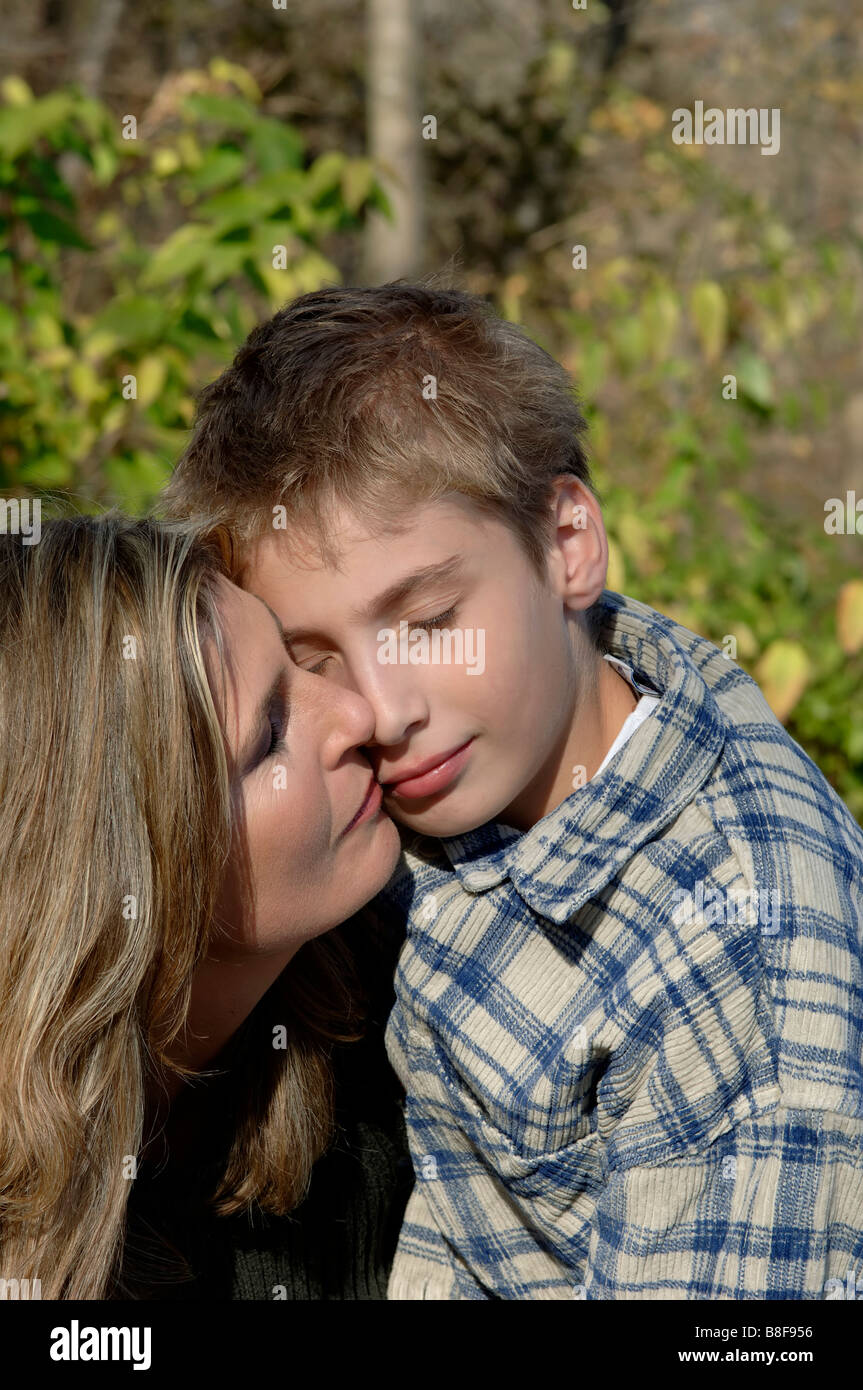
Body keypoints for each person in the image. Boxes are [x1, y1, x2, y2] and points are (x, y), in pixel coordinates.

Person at [160, 281, 863, 1300]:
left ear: (566, 543)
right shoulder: (466, 768)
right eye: (313, 658)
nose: (379, 709)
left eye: (430, 618)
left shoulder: (738, 951)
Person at [0, 513, 412, 1300]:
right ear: (121, 868)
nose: (360, 715)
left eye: (300, 658)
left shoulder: (417, 1001)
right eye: (270, 737)